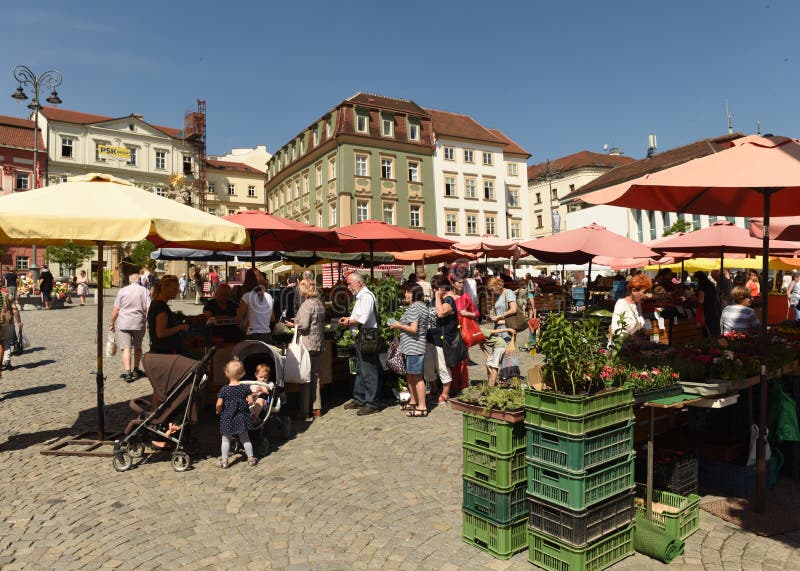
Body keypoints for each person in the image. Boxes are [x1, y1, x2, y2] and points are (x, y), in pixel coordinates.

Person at [338, 272, 382, 416]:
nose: (348, 287)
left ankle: (372, 403)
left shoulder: (367, 296)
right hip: (361, 337)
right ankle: (360, 398)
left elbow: (363, 318)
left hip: (367, 338)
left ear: (360, 283)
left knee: (369, 370)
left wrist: (348, 321)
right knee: (361, 369)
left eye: (350, 283)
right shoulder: (361, 296)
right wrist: (349, 318)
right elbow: (359, 316)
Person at [286, 279, 325, 420]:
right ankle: (317, 408)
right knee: (315, 376)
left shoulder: (307, 304)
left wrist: (292, 324)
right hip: (318, 342)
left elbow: (303, 326)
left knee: (305, 378)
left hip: (307, 344)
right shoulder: (319, 303)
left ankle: (304, 411)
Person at [389, 283, 429, 417]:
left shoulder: (414, 307)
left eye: (408, 292)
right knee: (411, 374)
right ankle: (413, 401)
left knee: (417, 376)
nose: (405, 294)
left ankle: (422, 407)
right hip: (413, 346)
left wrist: (398, 325)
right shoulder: (422, 306)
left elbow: (413, 329)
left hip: (414, 347)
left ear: (414, 294)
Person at [423, 275, 459, 404]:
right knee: (427, 366)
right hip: (429, 338)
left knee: (442, 366)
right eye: (433, 288)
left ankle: (445, 393)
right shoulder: (432, 300)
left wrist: (438, 297)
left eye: (436, 287)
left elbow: (441, 313)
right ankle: (434, 389)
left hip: (442, 339)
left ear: (443, 288)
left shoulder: (449, 300)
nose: (434, 290)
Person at [215, 359, 257, 468]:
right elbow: (251, 401)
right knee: (245, 438)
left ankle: (224, 461)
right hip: (242, 417)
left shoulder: (224, 389)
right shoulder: (244, 388)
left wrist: (218, 410)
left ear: (226, 373)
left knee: (225, 439)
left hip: (227, 418)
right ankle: (251, 458)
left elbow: (219, 404)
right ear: (242, 373)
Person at [110, 273, 151, 382]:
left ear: (129, 281)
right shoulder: (144, 291)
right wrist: (149, 322)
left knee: (126, 348)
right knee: (138, 347)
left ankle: (128, 373)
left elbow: (116, 310)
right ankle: (136, 370)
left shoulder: (122, 291)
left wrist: (111, 323)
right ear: (139, 280)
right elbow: (148, 308)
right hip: (139, 323)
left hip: (124, 323)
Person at [147, 275, 188, 354]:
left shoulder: (156, 303)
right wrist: (180, 327)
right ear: (164, 288)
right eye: (174, 289)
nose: (177, 291)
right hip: (164, 352)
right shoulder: (160, 307)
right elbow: (161, 333)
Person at [449, 275, 476, 396]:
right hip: (450, 331)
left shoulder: (465, 297)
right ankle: (453, 386)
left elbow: (476, 313)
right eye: (459, 282)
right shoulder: (447, 297)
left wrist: (466, 313)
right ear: (453, 283)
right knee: (452, 360)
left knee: (463, 360)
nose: (461, 285)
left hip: (463, 331)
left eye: (462, 283)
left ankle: (463, 385)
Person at [610, 274, 653, 339]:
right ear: (633, 291)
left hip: (634, 345)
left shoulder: (638, 305)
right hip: (621, 346)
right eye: (644, 292)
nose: (646, 296)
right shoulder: (621, 304)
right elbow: (615, 330)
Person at [237, 270, 274, 343]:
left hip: (253, 335)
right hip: (267, 335)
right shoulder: (269, 296)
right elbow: (272, 318)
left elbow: (239, 318)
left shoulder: (247, 296)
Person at [0, 288, 23, 378]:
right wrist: (19, 322)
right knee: (6, 342)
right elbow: (14, 309)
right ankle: (6, 360)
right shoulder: (7, 295)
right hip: (6, 321)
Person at [695, 271, 720, 337]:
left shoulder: (702, 286)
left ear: (699, 278)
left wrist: (695, 300)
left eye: (696, 278)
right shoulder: (711, 284)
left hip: (705, 310)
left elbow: (701, 301)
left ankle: (709, 343)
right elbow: (716, 297)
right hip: (713, 308)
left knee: (707, 329)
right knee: (714, 327)